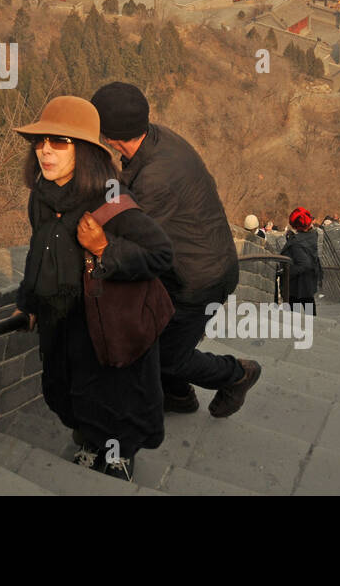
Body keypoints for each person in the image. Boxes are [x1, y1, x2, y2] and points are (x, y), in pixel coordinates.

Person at [12, 95, 174, 482]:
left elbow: (160, 254)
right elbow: (40, 253)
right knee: (66, 389)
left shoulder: (111, 199)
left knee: (114, 396)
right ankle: (87, 441)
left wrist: (105, 248)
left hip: (104, 321)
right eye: (41, 142)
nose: (45, 151)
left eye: (59, 142)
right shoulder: (41, 197)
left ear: (83, 150)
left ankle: (119, 454)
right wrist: (27, 302)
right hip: (60, 320)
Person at [90, 82, 262, 420]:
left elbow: (133, 236)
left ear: (110, 137)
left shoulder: (157, 176)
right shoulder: (155, 138)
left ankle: (237, 374)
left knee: (168, 356)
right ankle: (178, 395)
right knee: (159, 340)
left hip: (198, 279)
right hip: (195, 264)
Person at [280, 207, 322, 314]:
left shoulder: (296, 243)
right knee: (310, 314)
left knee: (295, 318)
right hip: (307, 283)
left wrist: (286, 272)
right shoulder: (312, 235)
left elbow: (304, 264)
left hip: (297, 286)